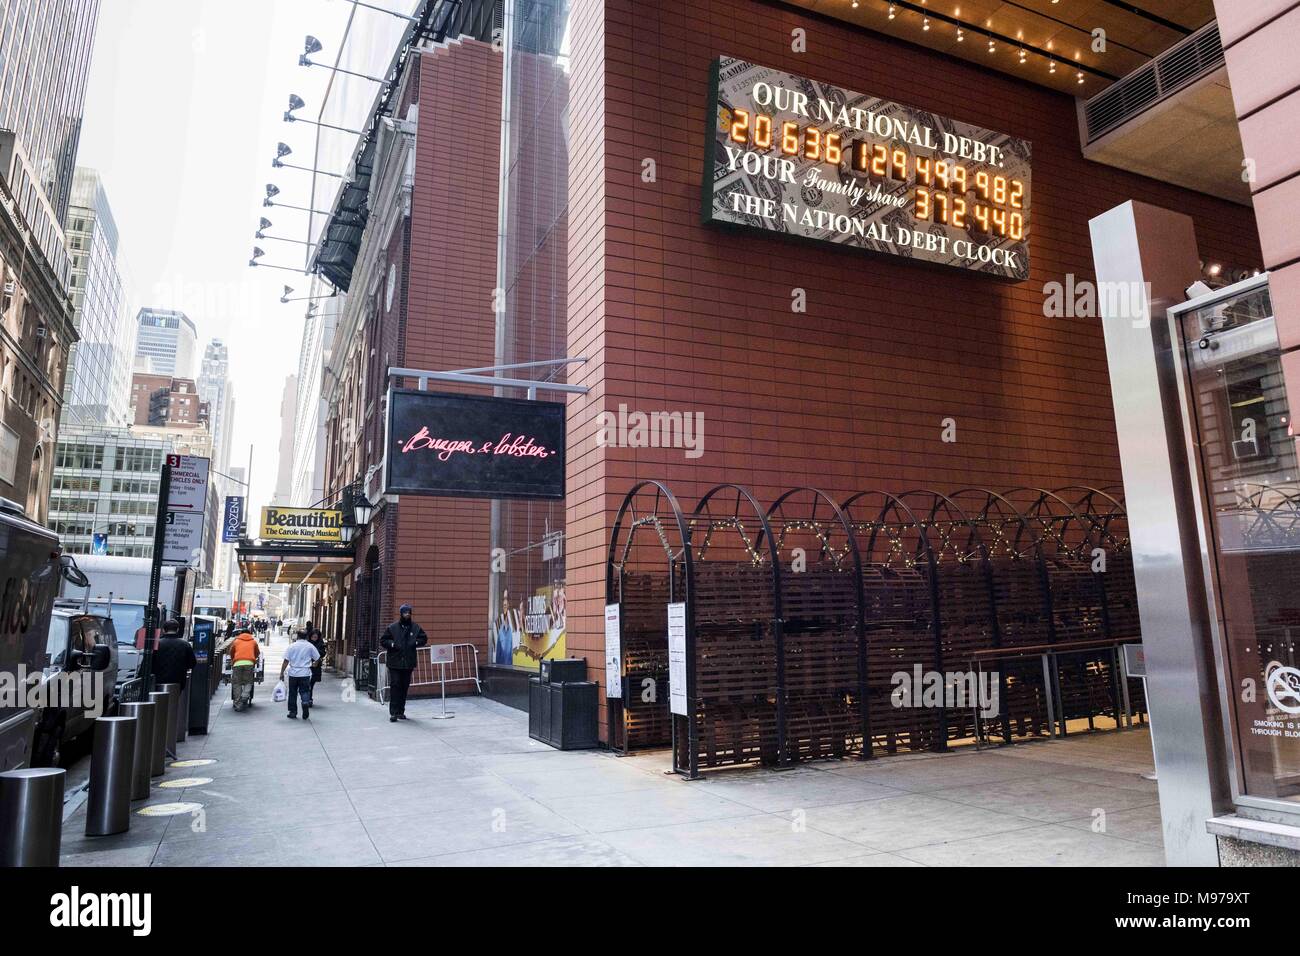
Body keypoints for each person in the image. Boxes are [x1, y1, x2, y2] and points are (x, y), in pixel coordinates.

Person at [380, 604, 427, 722]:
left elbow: (424, 638)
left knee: (404, 686)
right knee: (395, 684)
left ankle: (401, 711)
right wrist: (392, 644)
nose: (407, 615)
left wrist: (415, 643)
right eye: (405, 613)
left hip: (408, 662)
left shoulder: (415, 628)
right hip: (394, 662)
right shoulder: (392, 628)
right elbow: (383, 640)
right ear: (401, 614)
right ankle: (393, 712)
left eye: (409, 613)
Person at [280, 629, 320, 720]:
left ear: (297, 636)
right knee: (305, 691)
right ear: (306, 637)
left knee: (292, 692)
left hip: (293, 673)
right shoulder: (310, 646)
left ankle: (293, 712)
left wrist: (281, 673)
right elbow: (317, 658)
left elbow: (286, 661)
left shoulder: (292, 646)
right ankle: (305, 703)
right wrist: (315, 664)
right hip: (305, 673)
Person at [217, 626, 260, 710]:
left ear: (241, 634)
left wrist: (233, 660)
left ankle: (238, 704)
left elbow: (231, 652)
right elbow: (257, 653)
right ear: (250, 634)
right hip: (249, 663)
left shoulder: (236, 641)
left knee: (237, 683)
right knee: (248, 681)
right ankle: (245, 696)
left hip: (237, 664)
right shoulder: (253, 642)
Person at [152, 617, 196, 690]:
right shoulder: (185, 644)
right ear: (177, 630)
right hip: (178, 681)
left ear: (163, 630)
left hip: (158, 680)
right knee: (174, 699)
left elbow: (150, 663)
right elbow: (192, 663)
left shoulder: (157, 644)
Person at [307, 626, 326, 698]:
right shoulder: (307, 643)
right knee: (307, 683)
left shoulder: (320, 643)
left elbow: (323, 653)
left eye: (316, 637)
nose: (314, 638)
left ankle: (309, 697)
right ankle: (308, 698)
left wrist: (315, 651)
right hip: (307, 665)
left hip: (316, 666)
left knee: (311, 683)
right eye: (313, 637)